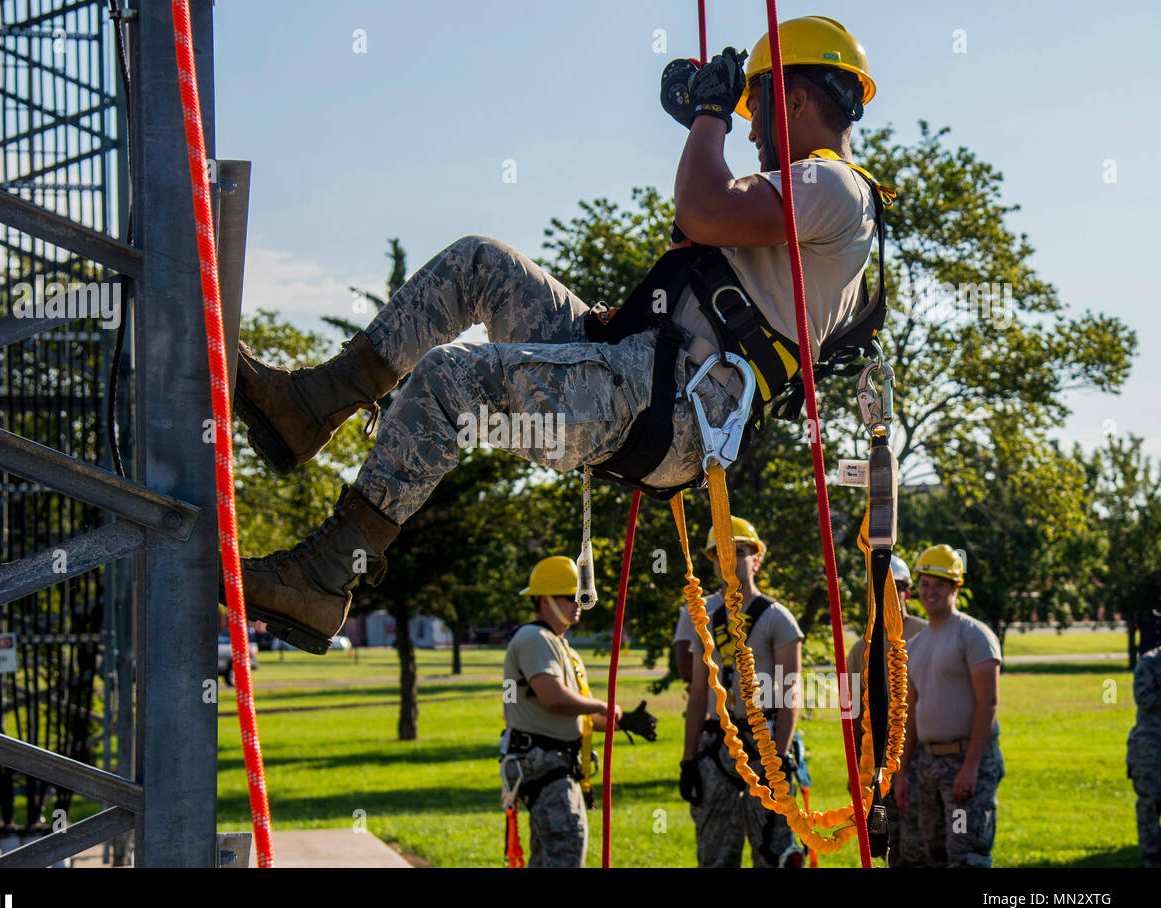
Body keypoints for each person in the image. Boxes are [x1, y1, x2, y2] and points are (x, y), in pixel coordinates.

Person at [227, 17, 891, 653]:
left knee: (449, 382)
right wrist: (702, 123)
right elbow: (701, 228)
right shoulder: (808, 196)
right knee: (480, 263)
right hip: (644, 373)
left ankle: (324, 574)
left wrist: (709, 115)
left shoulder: (833, 185)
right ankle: (314, 405)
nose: (750, 136)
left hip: (675, 408)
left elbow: (701, 206)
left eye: (754, 114)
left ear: (793, 100)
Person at [674, 518, 805, 867]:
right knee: (716, 855)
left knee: (772, 855)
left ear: (757, 560)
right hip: (718, 748)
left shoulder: (777, 619)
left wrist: (777, 758)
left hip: (766, 743)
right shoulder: (706, 619)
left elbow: (789, 695)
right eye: (720, 555)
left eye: (739, 553)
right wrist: (689, 759)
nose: (729, 561)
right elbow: (698, 695)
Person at [499, 556, 630, 867]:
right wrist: (603, 706)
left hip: (556, 763)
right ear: (545, 600)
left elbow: (577, 713)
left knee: (549, 857)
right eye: (571, 596)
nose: (578, 604)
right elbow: (553, 697)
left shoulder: (562, 647)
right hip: (546, 763)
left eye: (581, 597)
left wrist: (621, 720)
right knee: (566, 852)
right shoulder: (535, 638)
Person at [893, 545, 1004, 867]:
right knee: (934, 855)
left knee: (965, 855)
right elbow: (910, 715)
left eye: (940, 585)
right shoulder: (915, 645)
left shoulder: (974, 635)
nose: (931, 592)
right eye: (925, 584)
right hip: (927, 767)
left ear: (955, 588)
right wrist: (902, 775)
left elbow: (988, 705)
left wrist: (970, 767)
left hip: (966, 763)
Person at [843, 553, 927, 866]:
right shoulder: (858, 649)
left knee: (923, 846)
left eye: (893, 589)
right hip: (877, 764)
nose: (883, 597)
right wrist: (855, 772)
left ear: (906, 592)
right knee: (888, 849)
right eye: (875, 590)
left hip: (920, 759)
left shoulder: (923, 634)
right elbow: (849, 710)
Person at [1128, 645, 1161, 867]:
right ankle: (1152, 858)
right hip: (1151, 748)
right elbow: (1143, 697)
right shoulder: (1150, 661)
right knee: (1150, 803)